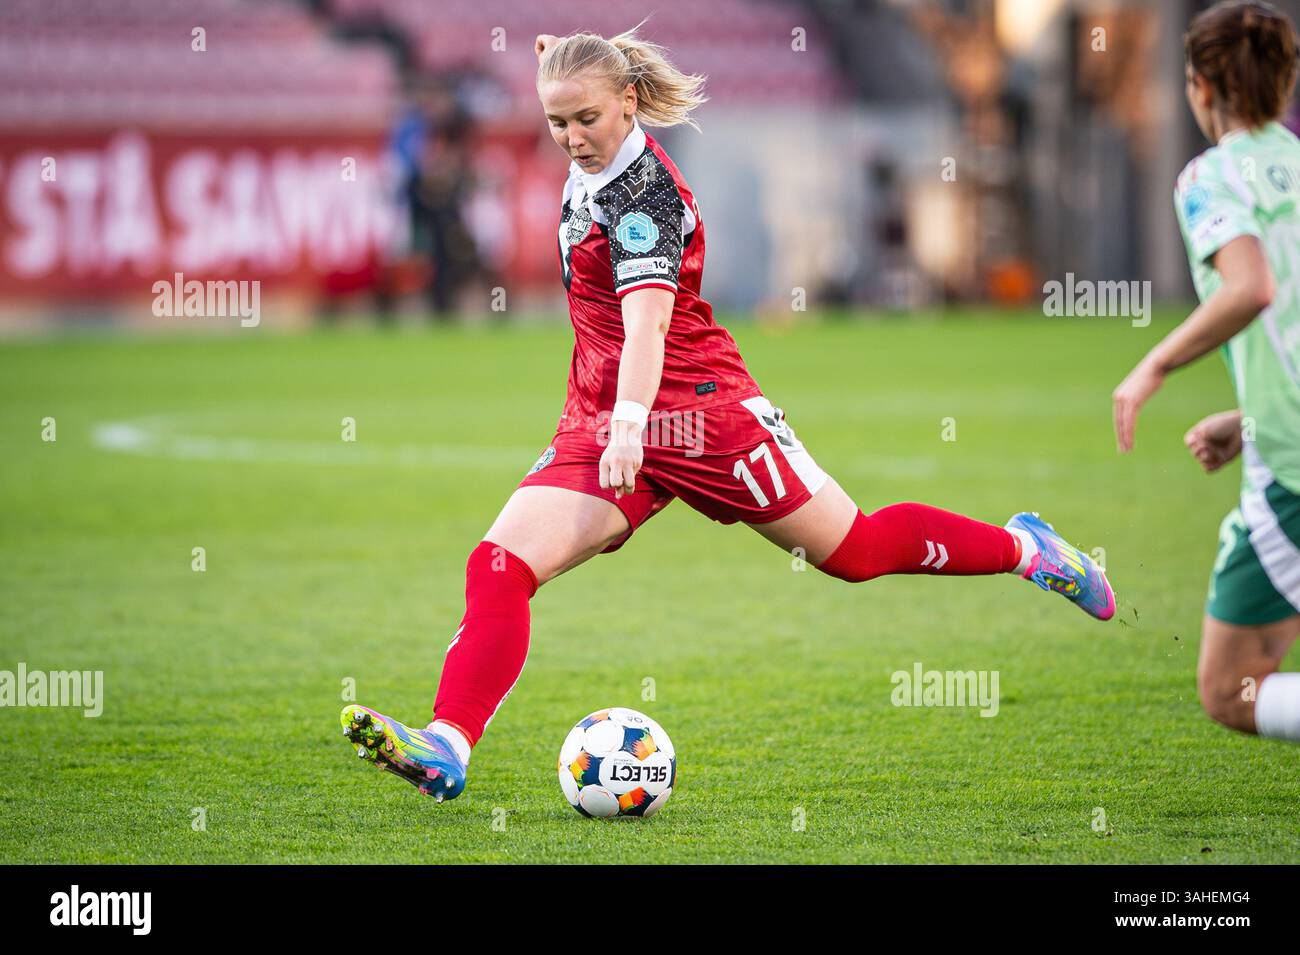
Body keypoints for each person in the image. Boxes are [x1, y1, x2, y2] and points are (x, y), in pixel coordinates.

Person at [340, 24, 1114, 801]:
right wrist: (553, 60)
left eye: (586, 119)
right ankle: (447, 745)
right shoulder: (592, 135)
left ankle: (1030, 549)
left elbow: (647, 323)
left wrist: (635, 425)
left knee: (856, 550)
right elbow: (568, 77)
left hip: (700, 417)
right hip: (603, 419)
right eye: (556, 122)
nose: (571, 137)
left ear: (629, 103)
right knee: (499, 566)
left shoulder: (644, 199)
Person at [1112, 1, 1300, 743]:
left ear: (1198, 86)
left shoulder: (1211, 177)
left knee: (1231, 687)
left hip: (1291, 466)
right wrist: (1246, 418)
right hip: (1277, 436)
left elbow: (1252, 287)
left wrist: (1154, 363)